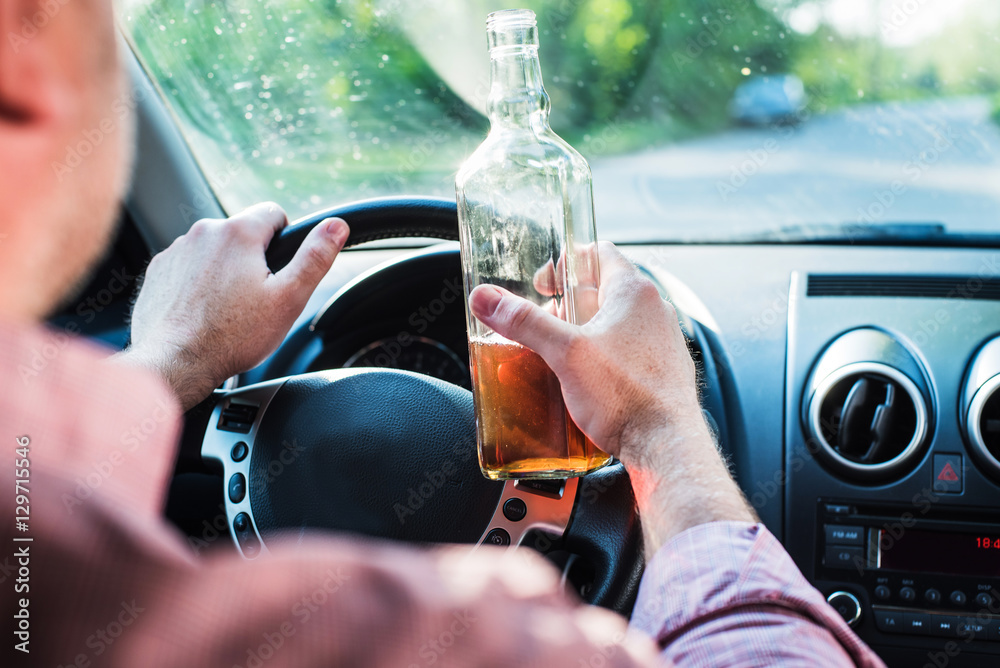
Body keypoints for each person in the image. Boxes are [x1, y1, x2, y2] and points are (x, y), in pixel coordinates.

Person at [0, 1, 884, 666]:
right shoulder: (453, 637)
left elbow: (41, 522)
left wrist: (165, 363)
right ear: (33, 85)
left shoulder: (44, 581)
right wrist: (661, 427)